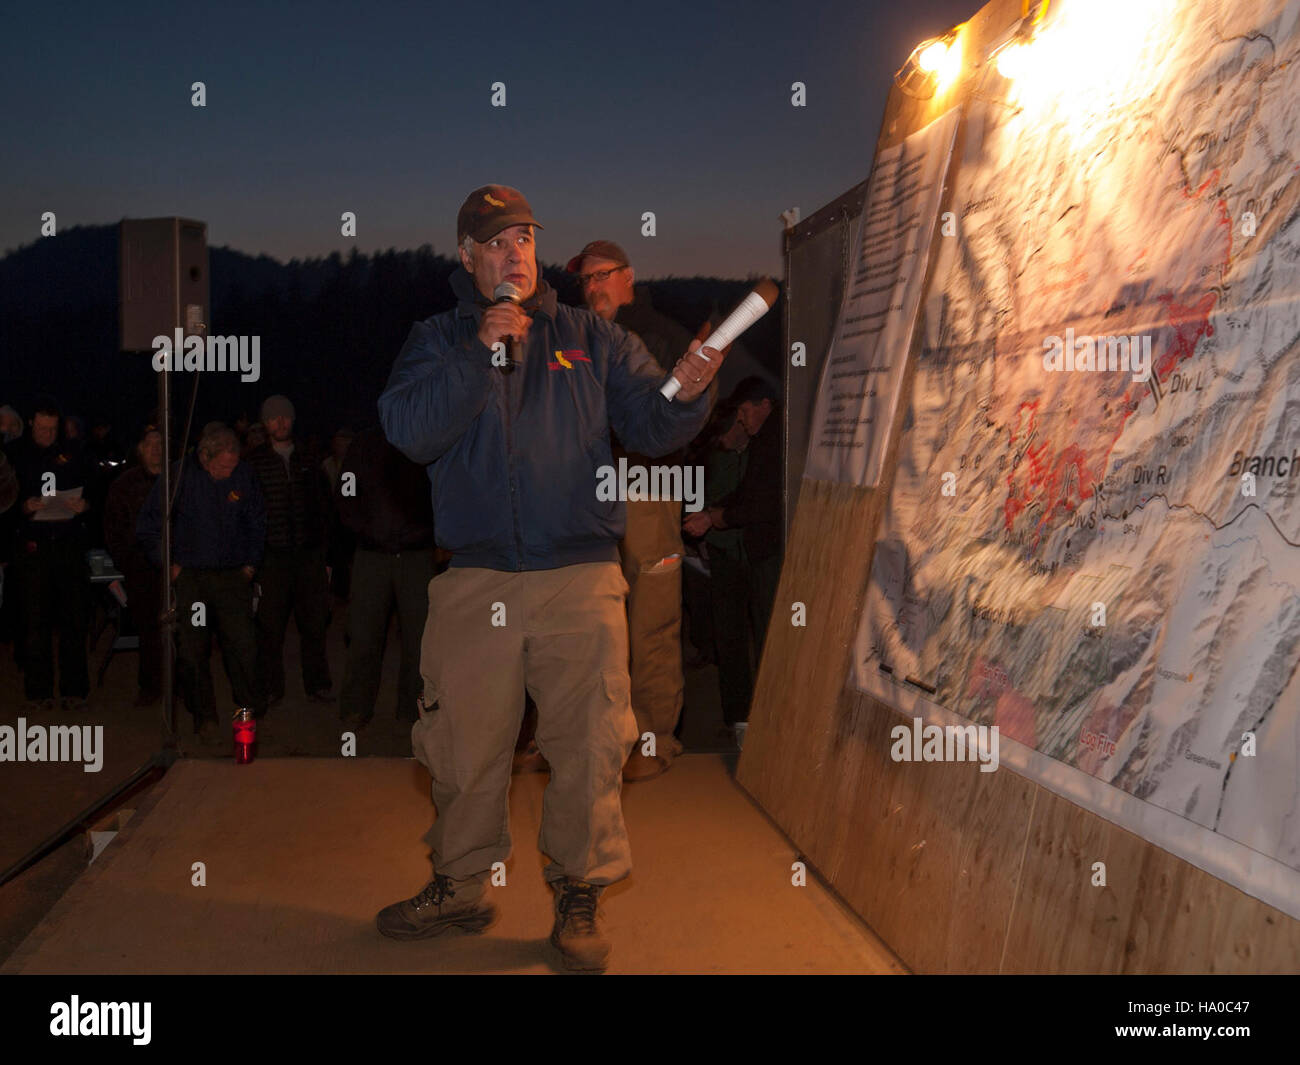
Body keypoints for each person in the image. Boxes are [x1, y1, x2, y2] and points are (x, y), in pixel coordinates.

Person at [375, 184, 721, 972]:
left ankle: (579, 892)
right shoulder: (436, 338)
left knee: (591, 745)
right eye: (497, 242)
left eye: (525, 238)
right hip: (476, 579)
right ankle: (459, 883)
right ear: (468, 258)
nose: (516, 253)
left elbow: (651, 420)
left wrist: (689, 388)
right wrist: (477, 352)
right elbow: (408, 429)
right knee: (462, 747)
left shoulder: (589, 336)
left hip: (580, 574)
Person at [568, 240, 694, 781]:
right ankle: (590, 738)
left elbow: (689, 413)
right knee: (588, 619)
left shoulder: (661, 333)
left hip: (646, 484)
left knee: (651, 617)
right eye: (586, 279)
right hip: (586, 489)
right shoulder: (571, 337)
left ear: (628, 277)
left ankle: (653, 738)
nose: (594, 286)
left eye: (604, 275)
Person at [137, 424, 266, 744]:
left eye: (232, 465)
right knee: (192, 651)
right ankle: (203, 715)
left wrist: (251, 564)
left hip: (232, 578)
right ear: (205, 458)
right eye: (223, 466)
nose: (228, 472)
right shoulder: (179, 476)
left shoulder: (244, 475)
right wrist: (171, 566)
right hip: (192, 579)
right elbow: (149, 525)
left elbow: (257, 519)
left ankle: (246, 716)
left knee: (244, 647)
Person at [682, 377, 782, 747]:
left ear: (764, 406)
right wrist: (711, 519)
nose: (741, 424)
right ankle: (739, 719)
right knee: (731, 638)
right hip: (726, 556)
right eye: (736, 418)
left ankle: (772, 714)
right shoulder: (719, 459)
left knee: (767, 632)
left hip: (757, 556)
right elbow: (738, 499)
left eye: (744, 415)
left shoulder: (770, 447)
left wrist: (716, 517)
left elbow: (759, 502)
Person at [336, 425, 436, 728]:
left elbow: (443, 489)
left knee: (420, 638)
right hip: (372, 555)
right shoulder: (365, 443)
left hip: (417, 554)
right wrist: (365, 530)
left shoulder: (426, 439)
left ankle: (413, 708)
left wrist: (426, 532)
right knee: (363, 633)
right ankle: (356, 706)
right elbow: (346, 491)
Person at [245, 395, 334, 707]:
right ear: (265, 423)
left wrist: (327, 556)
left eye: (285, 417)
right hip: (273, 558)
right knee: (269, 627)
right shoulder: (253, 462)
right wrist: (252, 559)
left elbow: (325, 508)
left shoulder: (310, 458)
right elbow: (248, 512)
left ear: (293, 420)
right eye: (273, 418)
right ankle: (270, 687)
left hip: (309, 555)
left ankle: (318, 684)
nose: (280, 423)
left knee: (314, 623)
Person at [12, 398, 93, 712]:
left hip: (69, 546)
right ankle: (38, 690)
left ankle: (75, 689)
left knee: (74, 620)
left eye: (52, 428)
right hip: (32, 548)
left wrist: (83, 506)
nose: (47, 434)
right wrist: (24, 507)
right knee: (35, 622)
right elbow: (6, 498)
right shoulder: (16, 454)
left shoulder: (75, 452)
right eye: (42, 428)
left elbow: (94, 489)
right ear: (32, 423)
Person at [104, 425, 165, 705]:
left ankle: (182, 685)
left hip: (176, 567)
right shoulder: (125, 484)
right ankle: (151, 687)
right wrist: (127, 561)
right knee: (149, 629)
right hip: (141, 568)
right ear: (140, 448)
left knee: (183, 628)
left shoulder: (176, 479)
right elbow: (113, 528)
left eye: (159, 443)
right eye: (149, 443)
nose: (155, 449)